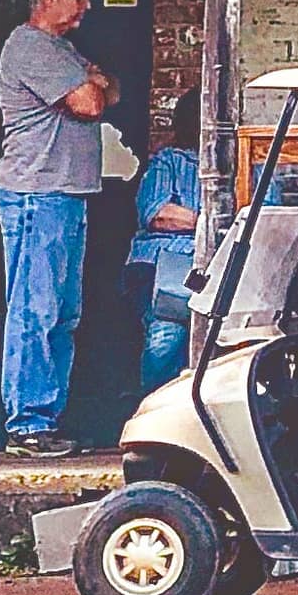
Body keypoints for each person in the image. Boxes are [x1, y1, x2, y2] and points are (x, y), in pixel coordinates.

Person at [0, 0, 112, 455]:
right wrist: (90, 83)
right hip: (37, 195)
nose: (87, 6)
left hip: (63, 195)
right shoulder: (30, 46)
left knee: (62, 314)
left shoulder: (62, 49)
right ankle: (27, 423)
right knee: (34, 310)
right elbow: (90, 103)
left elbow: (109, 90)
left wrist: (94, 83)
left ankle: (46, 418)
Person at [125, 115, 201, 390]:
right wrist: (216, 220)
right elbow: (158, 214)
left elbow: (264, 214)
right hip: (167, 262)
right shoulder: (169, 161)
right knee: (168, 335)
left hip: (228, 265)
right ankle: (155, 405)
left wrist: (190, 217)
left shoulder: (252, 163)